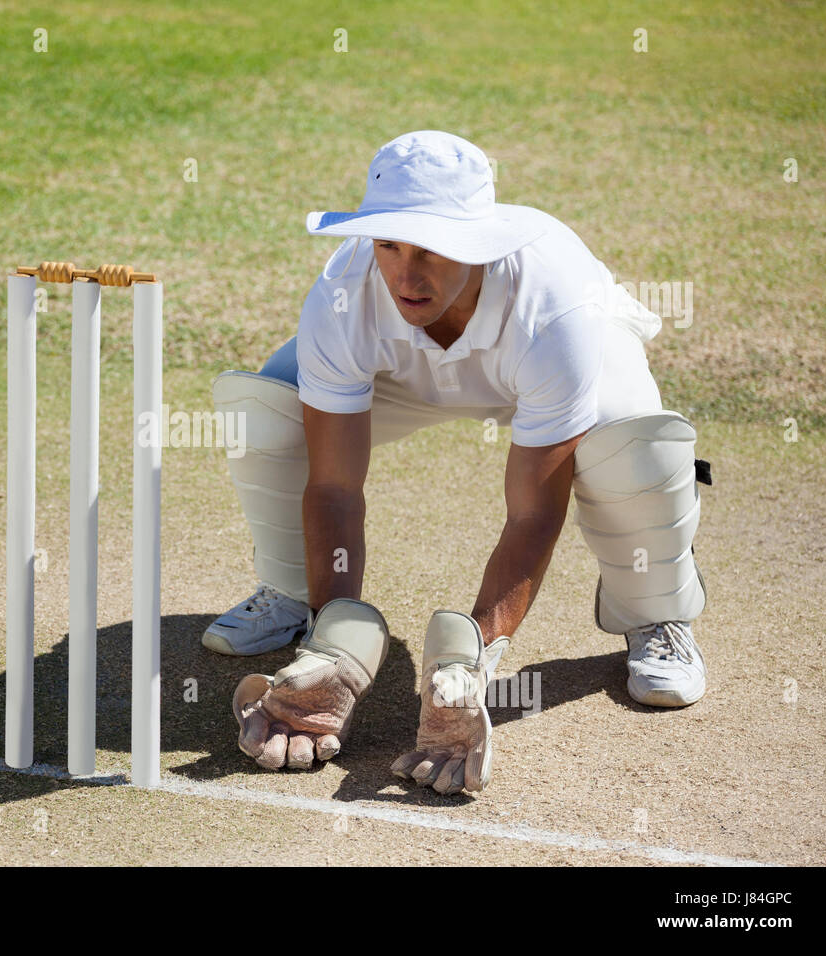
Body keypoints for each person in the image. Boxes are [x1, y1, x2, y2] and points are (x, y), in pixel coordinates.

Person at [209, 130, 710, 795]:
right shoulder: (346, 290)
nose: (405, 275)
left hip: (545, 361)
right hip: (408, 375)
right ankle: (299, 599)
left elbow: (534, 511)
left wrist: (471, 661)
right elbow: (334, 487)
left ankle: (655, 612)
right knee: (267, 411)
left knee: (631, 448)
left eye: (431, 251)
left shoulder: (553, 305)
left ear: (475, 247)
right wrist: (338, 645)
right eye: (388, 245)